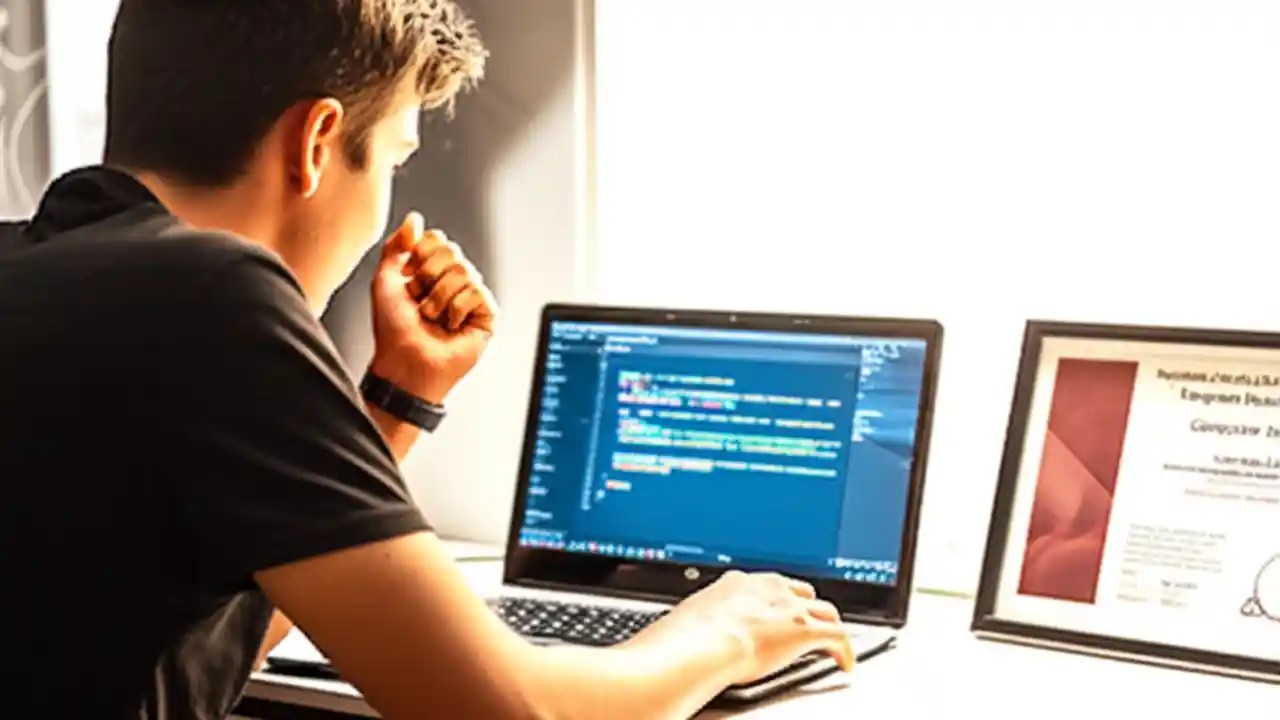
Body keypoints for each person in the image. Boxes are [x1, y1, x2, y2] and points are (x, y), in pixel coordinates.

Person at [0, 2, 854, 718]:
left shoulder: (42, 272)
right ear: (316, 141)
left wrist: (401, 401)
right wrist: (727, 630)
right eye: (398, 159)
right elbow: (511, 712)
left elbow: (178, 648)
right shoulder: (212, 290)